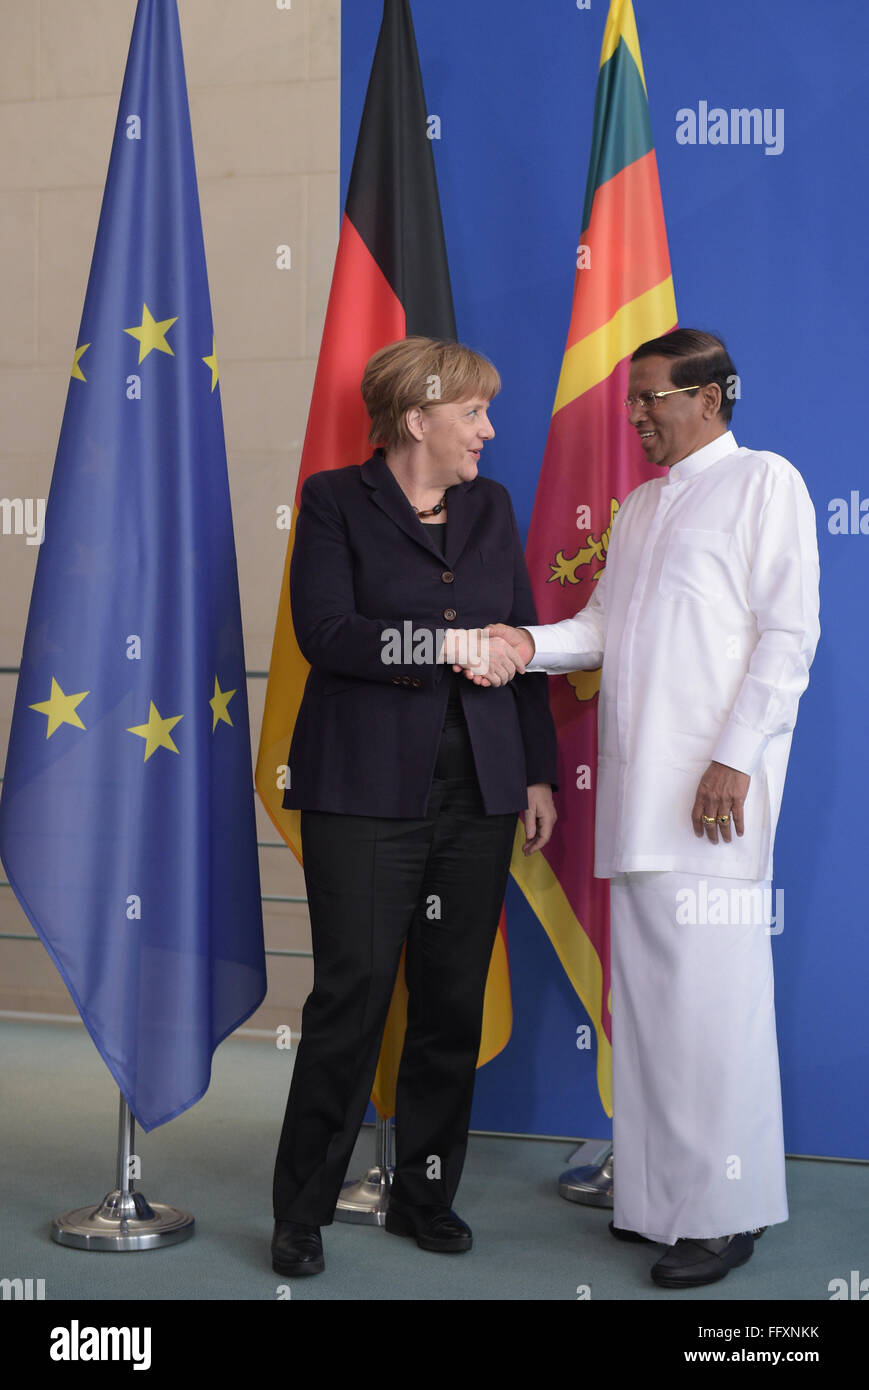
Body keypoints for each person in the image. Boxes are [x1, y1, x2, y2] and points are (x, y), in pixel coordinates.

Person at [478, 329, 820, 1288]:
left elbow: (789, 638)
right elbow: (599, 629)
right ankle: (662, 1202)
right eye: (631, 401)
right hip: (640, 798)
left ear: (709, 397)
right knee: (657, 1013)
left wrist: (733, 759)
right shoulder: (637, 507)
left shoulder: (765, 484)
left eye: (651, 399)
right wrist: (521, 643)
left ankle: (725, 1212)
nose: (635, 417)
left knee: (714, 1012)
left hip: (713, 797)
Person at [271, 336, 558, 1276]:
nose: (486, 428)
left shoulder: (491, 506)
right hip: (362, 793)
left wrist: (536, 776)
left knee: (449, 1002)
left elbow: (515, 645)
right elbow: (329, 634)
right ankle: (302, 1209)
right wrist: (446, 645)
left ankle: (423, 1195)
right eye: (472, 411)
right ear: (415, 417)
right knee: (349, 1002)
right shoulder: (331, 500)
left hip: (476, 792)